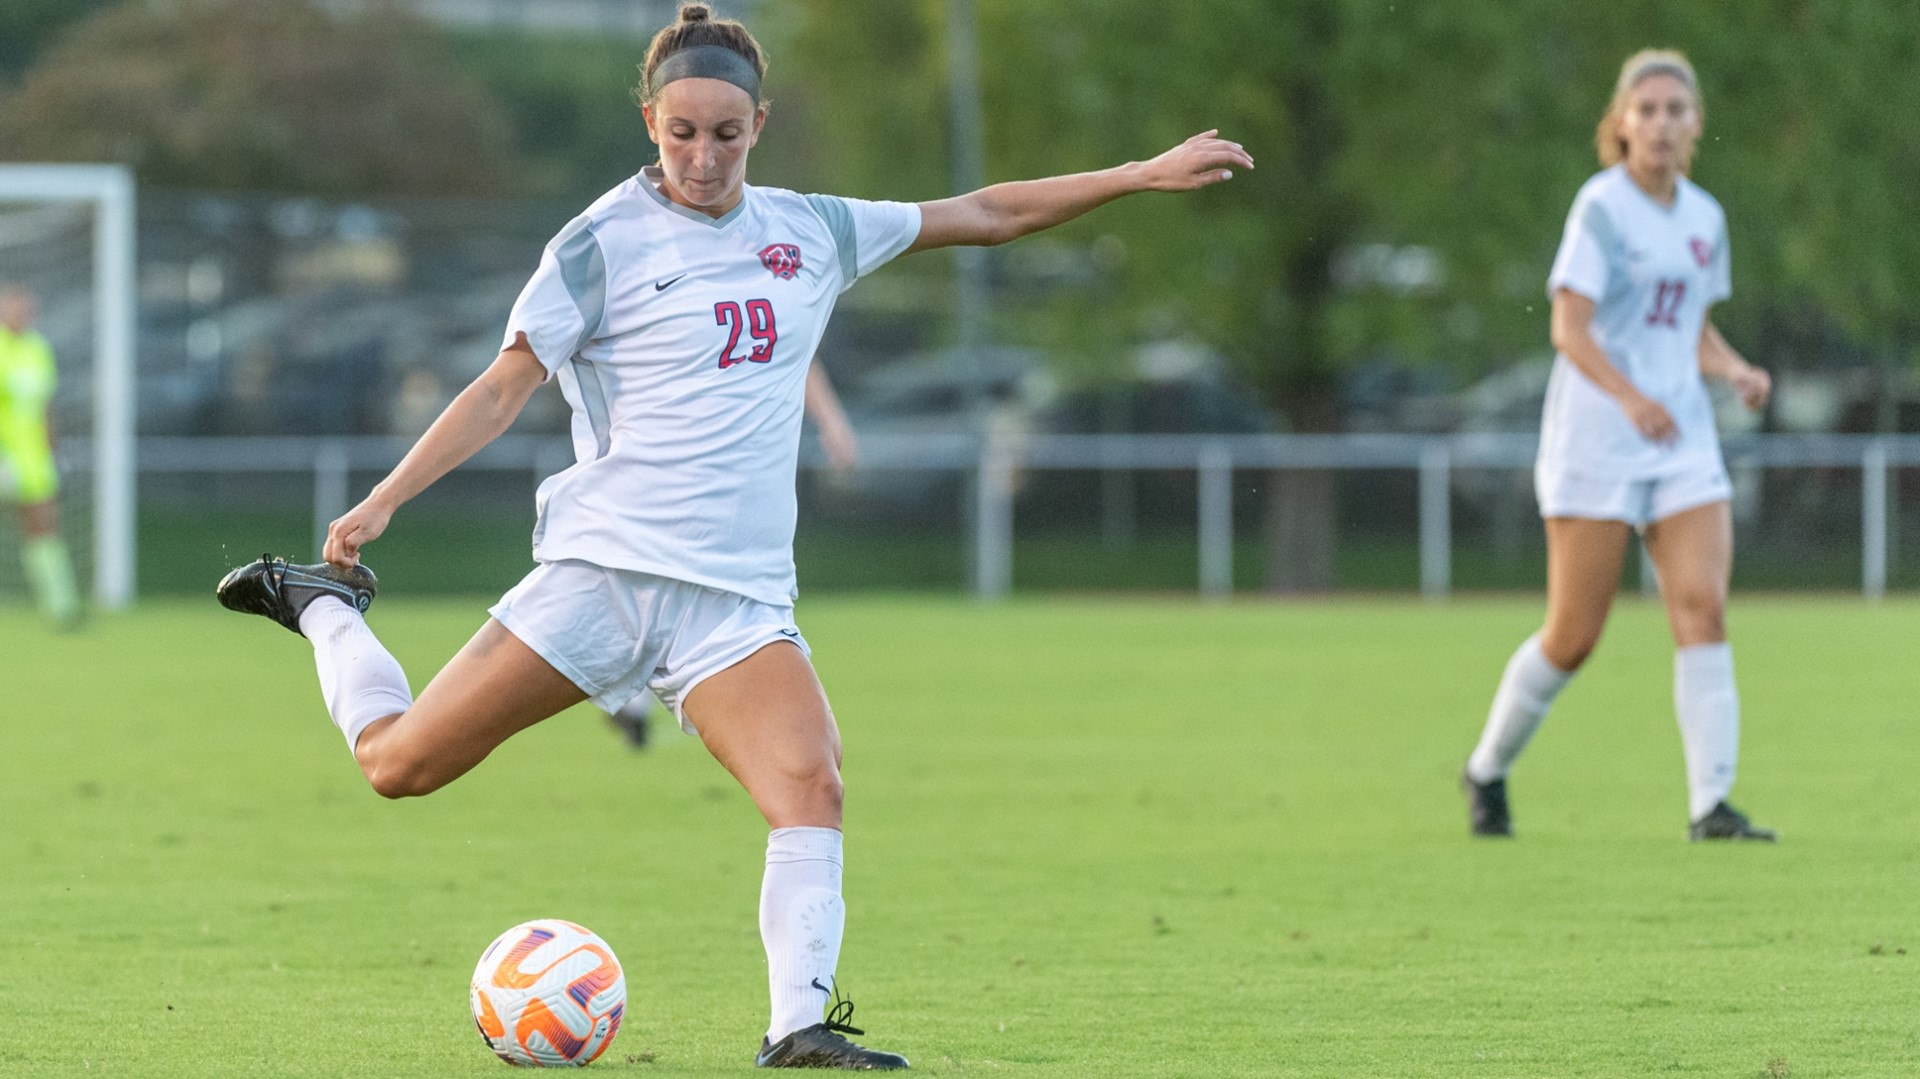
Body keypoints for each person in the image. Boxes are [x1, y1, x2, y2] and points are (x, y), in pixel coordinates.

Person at [214, 3, 1251, 1069]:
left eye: (726, 133)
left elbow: (983, 211)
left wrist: (1134, 174)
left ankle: (796, 1026)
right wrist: (385, 497)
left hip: (736, 602)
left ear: (761, 122)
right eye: (682, 134)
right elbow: (502, 386)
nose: (703, 156)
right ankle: (325, 609)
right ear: (650, 124)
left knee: (812, 784)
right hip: (604, 576)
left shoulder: (813, 230)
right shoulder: (596, 244)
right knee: (399, 765)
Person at [1459, 50, 1774, 843]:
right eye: (1648, 110)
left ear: (1696, 122)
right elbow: (1570, 328)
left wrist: (1735, 371)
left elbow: (1689, 325)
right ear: (1622, 124)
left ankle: (1712, 806)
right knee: (1574, 633)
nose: (1662, 124)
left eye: (1676, 110)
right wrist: (1631, 397)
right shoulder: (1601, 208)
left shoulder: (1704, 218)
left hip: (1681, 444)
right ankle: (1487, 767)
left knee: (1701, 608)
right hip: (1597, 440)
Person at [607, 360, 859, 751]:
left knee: (670, 587)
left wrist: (832, 422)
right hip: (670, 470)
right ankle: (647, 690)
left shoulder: (770, 305)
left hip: (730, 489)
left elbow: (799, 352)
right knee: (643, 578)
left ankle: (648, 691)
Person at [0, 284, 82, 629]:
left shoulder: (37, 349)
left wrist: (53, 449)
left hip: (32, 457)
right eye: (15, 308)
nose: (22, 314)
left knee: (44, 529)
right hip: (3, 454)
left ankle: (62, 608)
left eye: (27, 309)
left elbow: (46, 405)